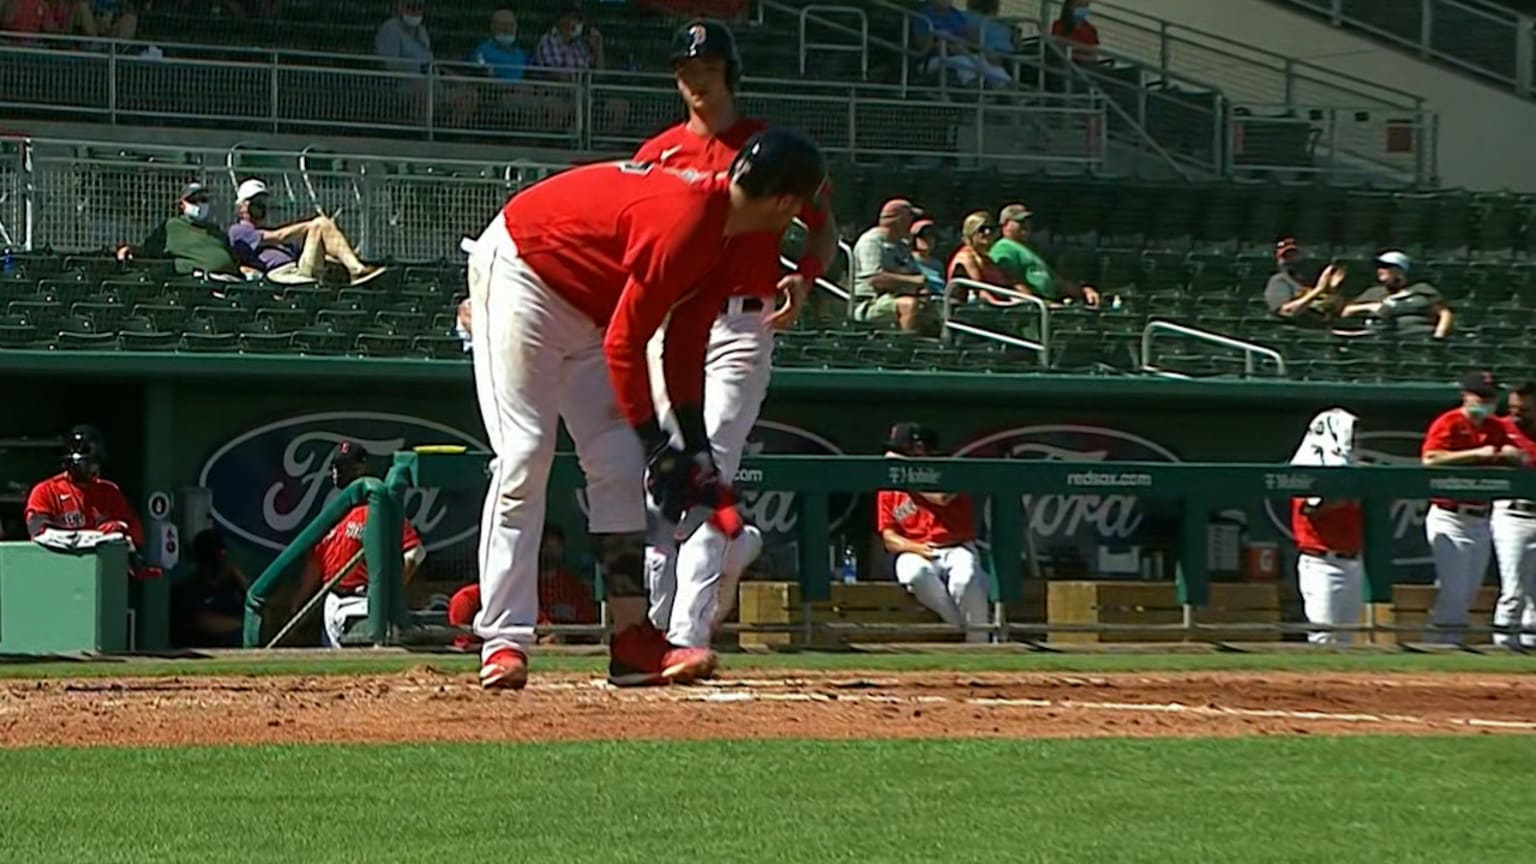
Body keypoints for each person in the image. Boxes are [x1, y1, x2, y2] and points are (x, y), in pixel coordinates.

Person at [466, 127, 828, 690]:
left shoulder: (727, 235)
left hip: (592, 302)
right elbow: (625, 344)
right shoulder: (689, 219)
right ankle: (503, 639)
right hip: (523, 273)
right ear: (784, 203)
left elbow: (682, 344)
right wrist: (655, 441)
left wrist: (693, 448)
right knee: (524, 454)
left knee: (615, 463)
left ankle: (633, 637)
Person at [632, 19, 834, 663]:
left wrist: (804, 277)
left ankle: (684, 633)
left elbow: (822, 226)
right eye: (687, 71)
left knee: (708, 460)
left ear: (729, 74)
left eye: (708, 70)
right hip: (674, 323)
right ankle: (667, 614)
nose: (697, 81)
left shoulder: (769, 148)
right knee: (663, 470)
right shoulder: (659, 151)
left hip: (743, 321)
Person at [1420, 372, 1526, 644]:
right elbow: (1430, 459)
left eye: (1490, 396)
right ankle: (1445, 644)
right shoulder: (1450, 421)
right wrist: (1475, 455)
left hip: (1481, 516)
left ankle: (1438, 641)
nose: (1487, 401)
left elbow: (1517, 454)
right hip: (1449, 515)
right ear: (1466, 396)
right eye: (1481, 396)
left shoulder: (1494, 426)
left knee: (1467, 591)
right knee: (1455, 590)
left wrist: (1511, 455)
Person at [294, 442, 427, 648]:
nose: (340, 473)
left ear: (362, 468)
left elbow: (415, 552)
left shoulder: (378, 509)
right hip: (331, 599)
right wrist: (300, 604)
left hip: (362, 600)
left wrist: (389, 593)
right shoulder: (333, 512)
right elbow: (316, 562)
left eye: (347, 467)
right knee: (337, 671)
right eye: (338, 467)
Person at [876, 423, 989, 642]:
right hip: (915, 550)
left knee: (965, 581)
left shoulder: (950, 469)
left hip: (956, 547)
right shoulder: (889, 486)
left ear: (919, 449)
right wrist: (915, 547)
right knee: (915, 574)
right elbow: (889, 538)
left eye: (900, 452)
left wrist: (906, 472)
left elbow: (942, 497)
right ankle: (961, 627)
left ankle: (980, 642)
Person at [1288, 408, 1364, 645]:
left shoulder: (1354, 468)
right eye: (1352, 434)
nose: (1355, 441)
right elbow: (1311, 509)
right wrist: (1346, 494)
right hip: (1321, 562)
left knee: (1346, 638)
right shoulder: (1308, 464)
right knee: (1323, 637)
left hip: (1352, 561)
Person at [227, 179, 386, 287]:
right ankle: (356, 270)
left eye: (263, 201)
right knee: (321, 224)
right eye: (256, 201)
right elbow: (277, 237)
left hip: (298, 268)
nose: (261, 206)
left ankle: (356, 266)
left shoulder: (272, 231)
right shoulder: (239, 231)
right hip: (281, 275)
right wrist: (310, 226)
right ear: (242, 206)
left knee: (324, 232)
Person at [25, 425, 145, 555]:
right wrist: (92, 537)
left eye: (96, 463)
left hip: (103, 565)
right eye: (88, 463)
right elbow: (38, 533)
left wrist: (119, 530)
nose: (94, 468)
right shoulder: (46, 491)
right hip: (60, 564)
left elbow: (136, 535)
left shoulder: (110, 491)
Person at [116, 183, 246, 277]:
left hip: (229, 280)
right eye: (193, 200)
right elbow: (148, 251)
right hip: (200, 283)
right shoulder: (172, 226)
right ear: (182, 205)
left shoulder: (216, 231)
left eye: (203, 200)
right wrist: (130, 249)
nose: (199, 204)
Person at [1492, 382, 1536, 648]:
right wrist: (1501, 454)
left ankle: (1531, 644)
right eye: (1514, 408)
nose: (1517, 414)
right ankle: (1504, 644)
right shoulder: (1500, 427)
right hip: (1513, 513)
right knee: (1513, 587)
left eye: (1526, 409)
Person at [989, 203, 1100, 307]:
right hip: (1029, 310)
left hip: (1049, 303)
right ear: (1005, 224)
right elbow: (1012, 282)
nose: (1026, 225)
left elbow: (1056, 281)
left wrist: (1084, 291)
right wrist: (1039, 303)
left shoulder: (1031, 248)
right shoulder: (1003, 248)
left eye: (1028, 221)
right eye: (1020, 222)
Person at [851, 198, 930, 331]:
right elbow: (875, 279)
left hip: (900, 296)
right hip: (871, 302)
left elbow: (916, 276)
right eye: (910, 217)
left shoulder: (902, 246)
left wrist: (922, 289)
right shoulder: (871, 242)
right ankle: (906, 348)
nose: (912, 223)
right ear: (898, 220)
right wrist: (913, 281)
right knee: (909, 305)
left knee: (936, 309)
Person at [1339, 250, 1452, 339]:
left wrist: (1439, 336)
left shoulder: (1421, 289)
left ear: (1400, 270)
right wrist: (1370, 306)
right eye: (1379, 266)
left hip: (1419, 338)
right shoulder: (1374, 292)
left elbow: (1445, 314)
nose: (1380, 269)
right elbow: (1346, 311)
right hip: (1383, 341)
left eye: (1386, 266)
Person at [171, 529, 248, 648]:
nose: (225, 561)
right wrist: (247, 626)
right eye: (220, 556)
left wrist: (242, 581)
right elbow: (205, 623)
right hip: (202, 651)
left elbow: (260, 608)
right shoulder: (187, 589)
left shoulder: (233, 587)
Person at [1265, 237, 1345, 323]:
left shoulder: (1314, 277)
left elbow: (1340, 309)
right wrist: (1318, 290)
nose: (1291, 260)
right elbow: (1287, 312)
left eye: (1293, 255)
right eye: (1286, 256)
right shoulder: (1278, 281)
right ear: (1279, 260)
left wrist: (1332, 289)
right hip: (1298, 330)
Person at [947, 210, 1012, 305]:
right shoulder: (966, 257)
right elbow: (980, 290)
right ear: (971, 232)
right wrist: (1003, 304)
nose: (988, 232)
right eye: (982, 229)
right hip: (967, 311)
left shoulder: (987, 259)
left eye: (991, 228)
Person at [535, 2, 603, 81]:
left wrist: (598, 49)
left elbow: (599, 77)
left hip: (580, 91)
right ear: (562, 19)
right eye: (575, 18)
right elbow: (553, 74)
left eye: (580, 19)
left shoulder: (581, 44)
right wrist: (580, 80)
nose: (579, 23)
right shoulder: (548, 41)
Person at [375, 0, 433, 75]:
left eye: (419, 7)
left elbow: (428, 59)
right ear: (400, 7)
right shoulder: (390, 29)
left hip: (428, 81)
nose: (415, 11)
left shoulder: (422, 31)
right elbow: (390, 64)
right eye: (410, 7)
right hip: (402, 82)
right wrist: (418, 68)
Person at [469, 7, 528, 82]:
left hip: (520, 92)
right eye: (503, 25)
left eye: (511, 25)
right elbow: (480, 68)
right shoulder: (482, 52)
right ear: (492, 26)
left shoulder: (522, 54)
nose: (507, 29)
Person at [909, 219, 946, 296]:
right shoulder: (908, 261)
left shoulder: (937, 264)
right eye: (923, 235)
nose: (928, 239)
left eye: (931, 235)